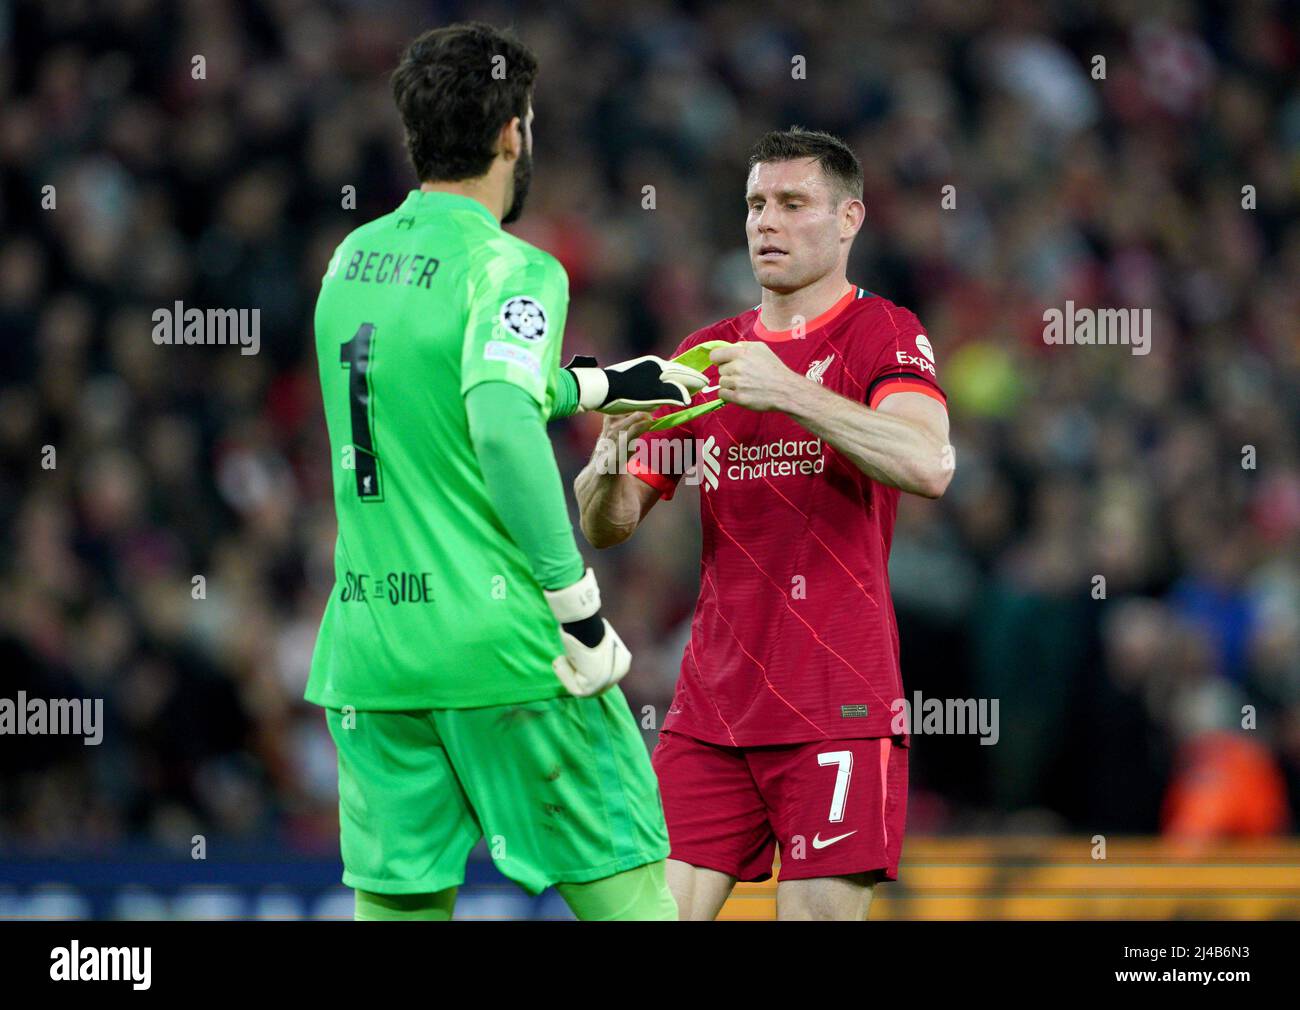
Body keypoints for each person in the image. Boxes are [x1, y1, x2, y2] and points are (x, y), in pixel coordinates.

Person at [306, 21, 705, 921]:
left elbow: (429, 391)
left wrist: (597, 384)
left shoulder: (350, 262)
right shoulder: (511, 266)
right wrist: (580, 611)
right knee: (636, 902)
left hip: (373, 656)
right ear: (512, 133)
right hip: (507, 653)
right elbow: (495, 419)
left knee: (400, 912)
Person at [574, 127, 955, 920]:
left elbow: (929, 463)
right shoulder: (708, 353)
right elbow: (610, 524)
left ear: (849, 219)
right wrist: (611, 452)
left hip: (836, 703)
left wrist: (789, 392)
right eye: (755, 205)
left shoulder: (883, 332)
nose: (766, 222)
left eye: (792, 203)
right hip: (712, 707)